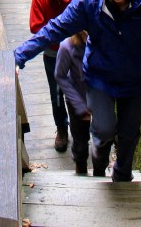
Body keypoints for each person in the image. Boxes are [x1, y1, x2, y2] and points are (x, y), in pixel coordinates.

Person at [15, 0, 141, 181]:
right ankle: (99, 161)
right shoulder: (89, 2)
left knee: (129, 134)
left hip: (135, 79)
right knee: (104, 130)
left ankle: (121, 175)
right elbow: (54, 29)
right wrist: (19, 56)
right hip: (100, 77)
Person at [29, 0, 82, 152]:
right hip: (52, 53)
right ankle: (61, 128)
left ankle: (80, 130)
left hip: (75, 50)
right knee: (57, 93)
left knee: (79, 88)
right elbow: (35, 27)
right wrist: (56, 36)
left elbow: (83, 17)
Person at [55, 31, 91, 175]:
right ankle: (81, 170)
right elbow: (59, 75)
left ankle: (100, 170)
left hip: (99, 96)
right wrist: (79, 105)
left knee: (103, 136)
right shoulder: (66, 47)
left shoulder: (102, 39)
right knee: (80, 140)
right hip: (76, 98)